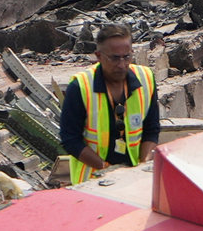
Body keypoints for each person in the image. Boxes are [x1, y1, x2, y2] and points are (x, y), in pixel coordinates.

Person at [59, 23, 160, 184]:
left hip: (134, 178)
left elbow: (151, 129)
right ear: (98, 56)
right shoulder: (81, 87)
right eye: (114, 58)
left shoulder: (146, 79)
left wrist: (143, 166)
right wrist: (106, 169)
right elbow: (70, 139)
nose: (121, 65)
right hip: (93, 182)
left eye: (127, 56)